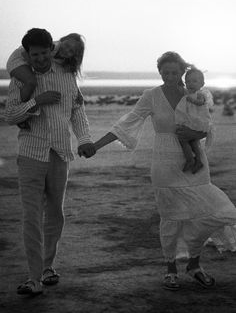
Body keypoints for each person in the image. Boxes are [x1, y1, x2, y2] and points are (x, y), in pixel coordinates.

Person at [86, 51, 236, 290]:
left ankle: (194, 265)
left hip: (196, 163)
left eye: (174, 72)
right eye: (165, 72)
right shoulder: (152, 96)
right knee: (171, 217)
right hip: (165, 162)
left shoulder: (194, 94)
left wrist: (194, 135)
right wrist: (96, 145)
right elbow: (128, 121)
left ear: (182, 73)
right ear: (160, 73)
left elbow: (207, 127)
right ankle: (171, 269)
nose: (169, 76)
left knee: (210, 211)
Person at [5, 28, 96, 295]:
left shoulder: (66, 75)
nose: (41, 59)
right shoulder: (20, 77)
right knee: (31, 217)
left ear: (51, 50)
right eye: (35, 55)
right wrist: (36, 101)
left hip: (59, 154)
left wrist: (85, 139)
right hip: (30, 155)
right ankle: (33, 279)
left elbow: (77, 110)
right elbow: (10, 115)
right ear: (27, 54)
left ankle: (48, 267)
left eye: (45, 53)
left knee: (55, 212)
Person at [6, 32, 85, 129]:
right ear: (62, 40)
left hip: (25, 58)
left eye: (71, 51)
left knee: (31, 82)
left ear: (73, 55)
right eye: (67, 45)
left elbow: (68, 78)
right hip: (17, 60)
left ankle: (23, 114)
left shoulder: (61, 59)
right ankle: (20, 109)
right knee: (31, 81)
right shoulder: (53, 47)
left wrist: (77, 91)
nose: (66, 50)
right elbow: (26, 55)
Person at [175, 67, 214, 174]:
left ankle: (190, 160)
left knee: (183, 140)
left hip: (199, 123)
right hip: (193, 123)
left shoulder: (200, 94)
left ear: (202, 83)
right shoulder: (188, 95)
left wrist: (192, 100)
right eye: (187, 81)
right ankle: (198, 161)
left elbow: (200, 102)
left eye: (194, 81)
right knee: (192, 142)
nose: (190, 84)